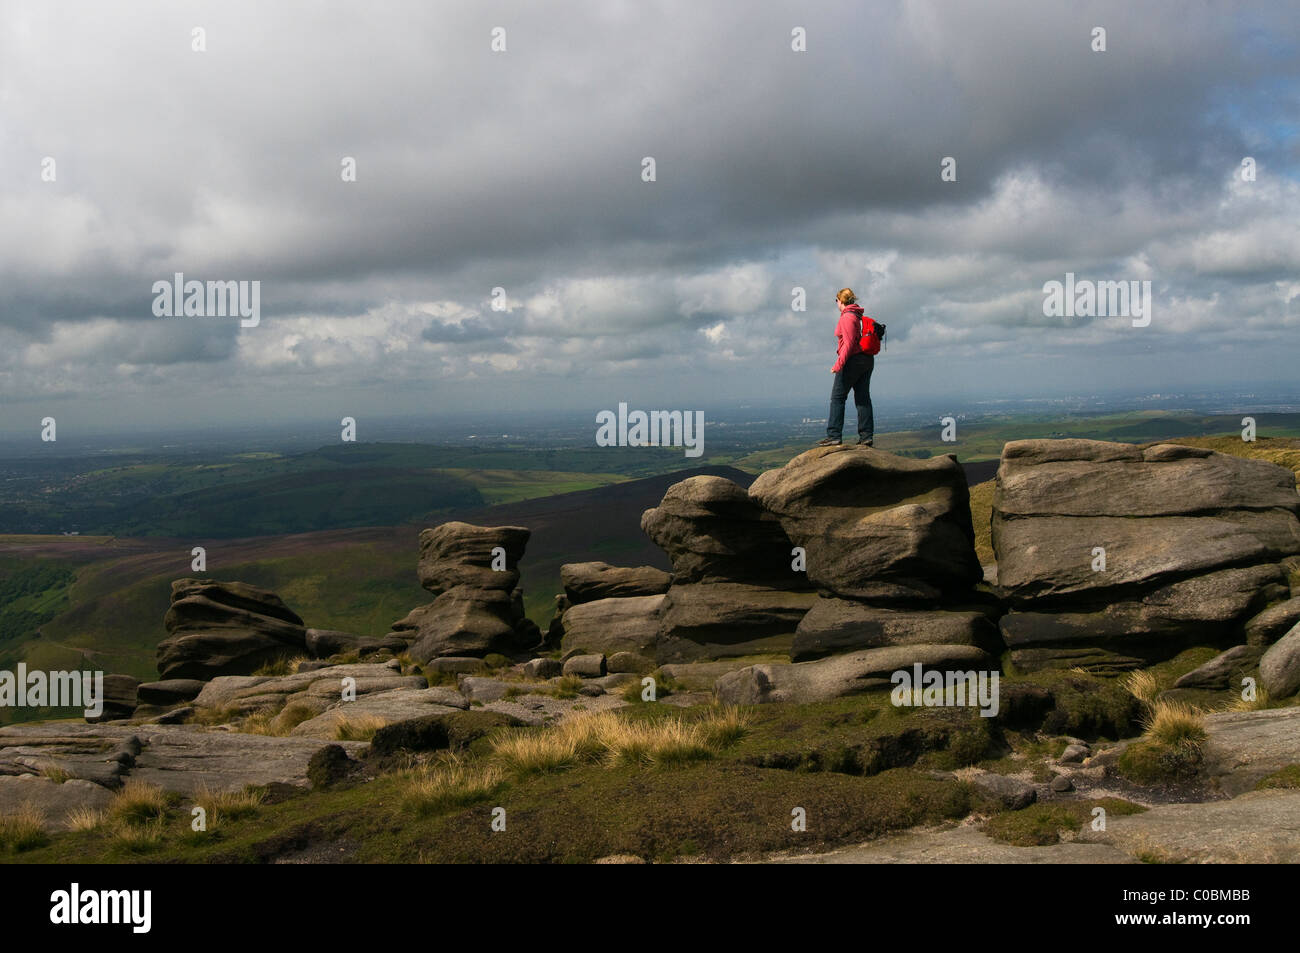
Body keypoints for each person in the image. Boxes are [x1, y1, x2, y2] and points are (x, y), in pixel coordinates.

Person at [816, 287, 874, 447]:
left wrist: (838, 365)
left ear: (840, 301)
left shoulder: (847, 317)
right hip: (867, 360)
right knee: (863, 398)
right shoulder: (859, 316)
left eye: (836, 300)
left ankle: (834, 435)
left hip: (852, 361)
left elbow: (848, 344)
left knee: (837, 398)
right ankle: (866, 436)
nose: (836, 303)